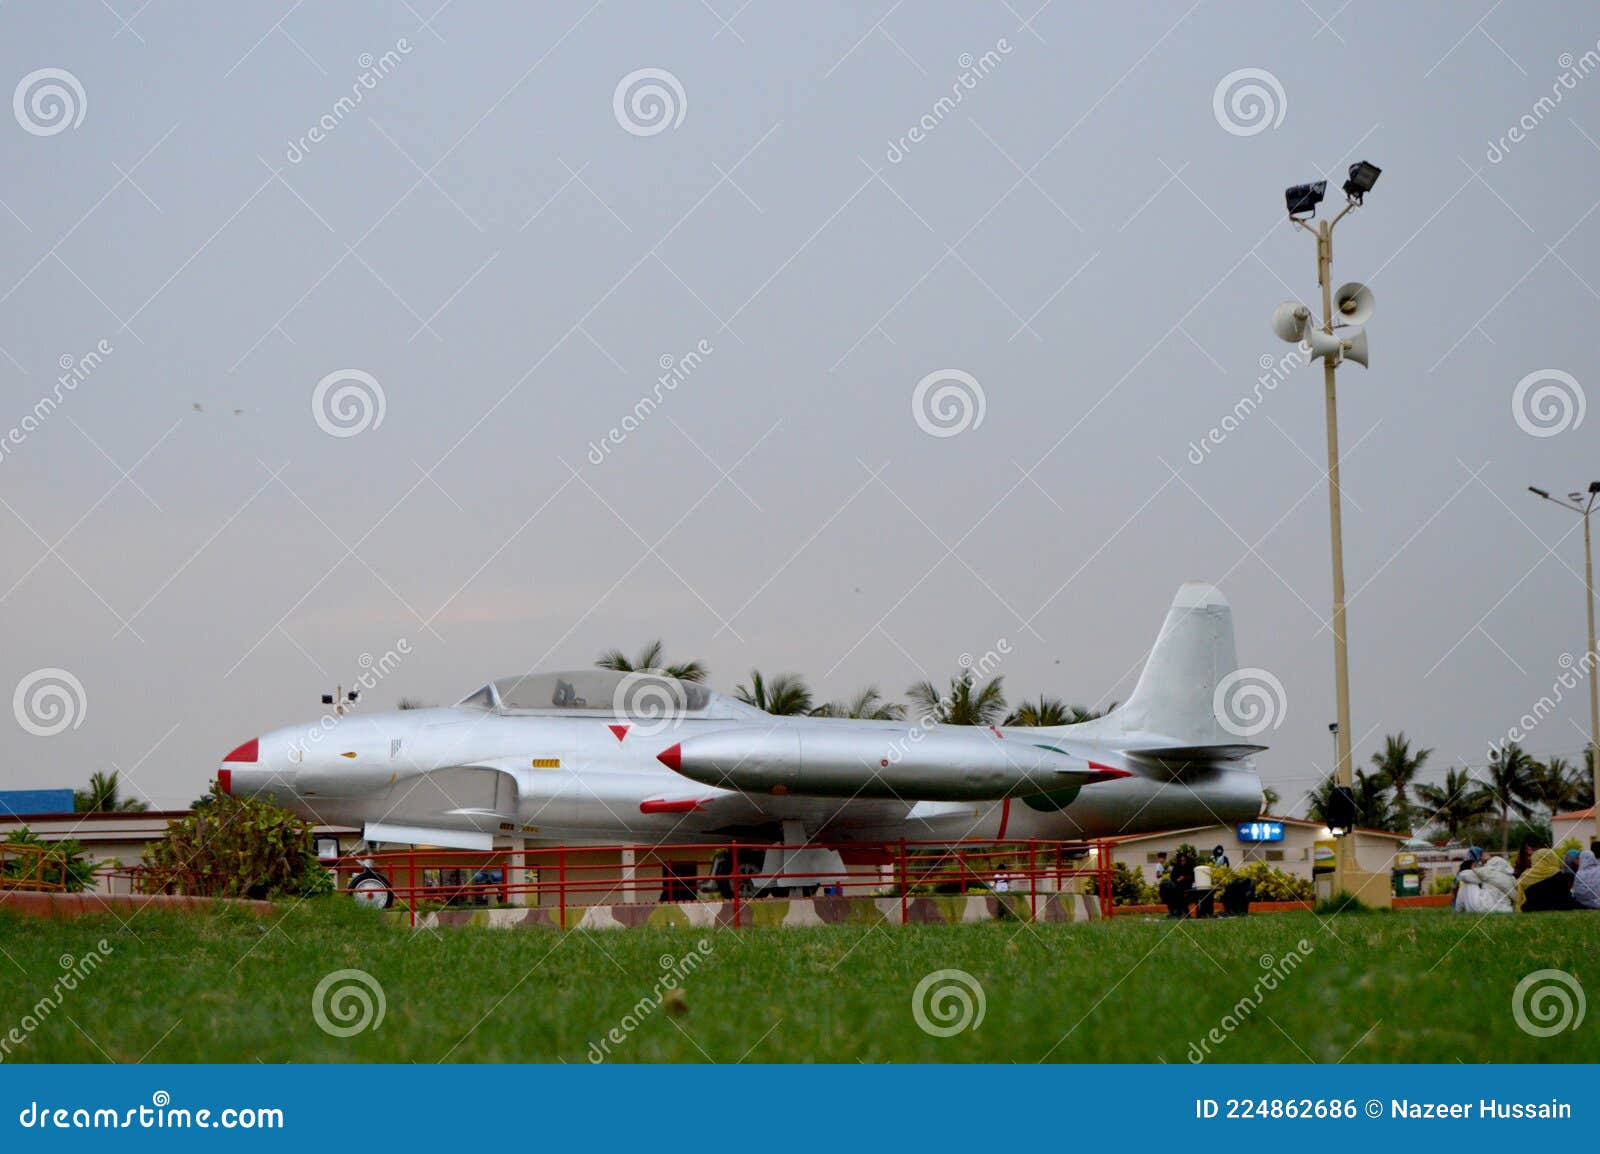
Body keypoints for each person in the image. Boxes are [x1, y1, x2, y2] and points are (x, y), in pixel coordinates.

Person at [1516, 847, 1579, 912]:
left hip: (1531, 908)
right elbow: (1565, 897)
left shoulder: (1526, 876)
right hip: (1560, 906)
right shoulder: (1559, 875)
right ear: (1552, 858)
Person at [1160, 851, 1195, 917]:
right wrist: (1177, 879)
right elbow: (1172, 877)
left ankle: (1180, 911)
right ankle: (1173, 910)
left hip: (1186, 886)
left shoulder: (1190, 867)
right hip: (1176, 885)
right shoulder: (1177, 867)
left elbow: (1192, 877)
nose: (1183, 862)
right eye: (1181, 861)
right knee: (1165, 884)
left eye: (1184, 860)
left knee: (1175, 891)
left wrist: (1184, 878)